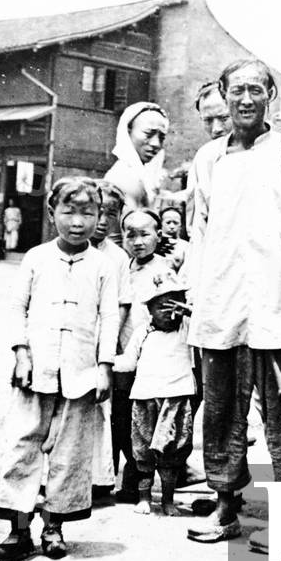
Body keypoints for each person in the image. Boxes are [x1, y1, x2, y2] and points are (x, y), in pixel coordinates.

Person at [186, 59, 281, 546]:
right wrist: (204, 297)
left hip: (276, 309)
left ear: (272, 96)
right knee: (221, 412)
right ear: (222, 95)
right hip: (220, 305)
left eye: (256, 90)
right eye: (236, 90)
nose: (245, 100)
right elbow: (198, 233)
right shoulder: (207, 159)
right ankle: (225, 507)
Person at [0, 177, 117, 561]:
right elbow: (16, 308)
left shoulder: (103, 265)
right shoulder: (36, 258)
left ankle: (54, 527)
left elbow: (109, 317)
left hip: (80, 372)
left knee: (69, 452)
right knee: (23, 444)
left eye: (88, 213)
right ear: (52, 213)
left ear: (99, 217)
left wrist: (105, 365)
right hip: (36, 369)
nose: (78, 222)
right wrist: (21, 353)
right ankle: (18, 530)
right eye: (69, 211)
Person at [113, 269, 195, 517]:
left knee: (173, 450)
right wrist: (104, 361)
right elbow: (128, 362)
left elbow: (206, 323)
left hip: (176, 398)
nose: (170, 312)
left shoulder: (187, 328)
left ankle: (168, 500)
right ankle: (145, 497)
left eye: (176, 304)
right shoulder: (142, 333)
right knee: (143, 450)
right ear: (149, 309)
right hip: (145, 398)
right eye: (162, 305)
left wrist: (188, 310)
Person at [114, 208, 173, 502]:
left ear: (158, 236)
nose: (137, 241)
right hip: (125, 351)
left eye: (144, 234)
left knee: (149, 418)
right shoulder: (122, 268)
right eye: (130, 234)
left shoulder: (164, 270)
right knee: (123, 416)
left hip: (152, 356)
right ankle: (132, 472)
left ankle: (148, 479)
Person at [89, 181, 132, 497]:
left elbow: (121, 304)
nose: (103, 221)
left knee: (105, 413)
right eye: (98, 212)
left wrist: (107, 344)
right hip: (74, 338)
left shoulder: (117, 257)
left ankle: (101, 479)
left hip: (103, 340)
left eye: (111, 214)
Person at [104, 102, 169, 209]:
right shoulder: (124, 177)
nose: (156, 143)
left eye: (161, 138)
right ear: (128, 132)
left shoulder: (141, 175)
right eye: (148, 134)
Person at [160, 206, 188, 272]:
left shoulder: (186, 246)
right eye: (168, 222)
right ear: (161, 223)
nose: (172, 226)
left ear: (180, 224)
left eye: (175, 222)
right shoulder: (154, 243)